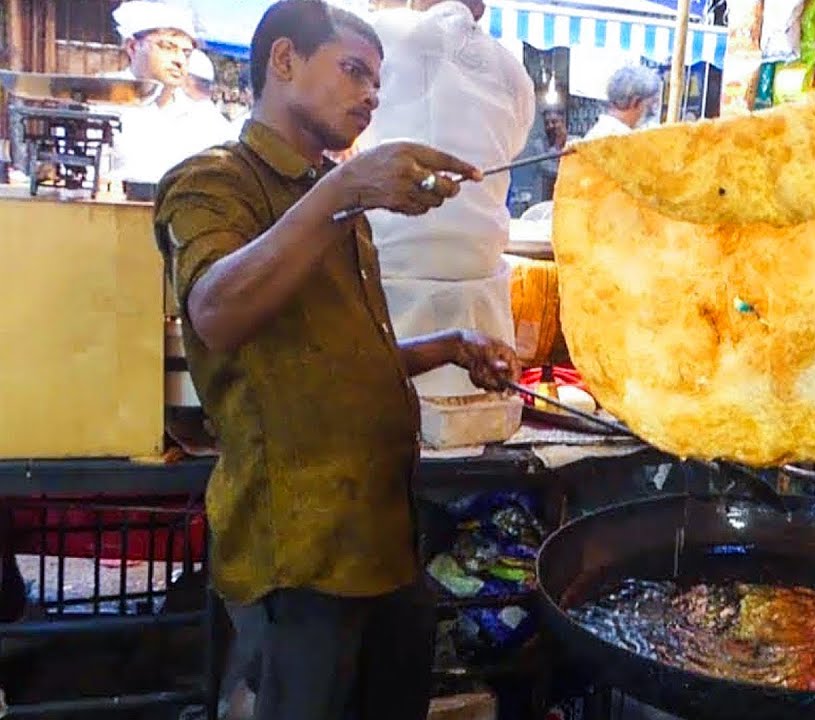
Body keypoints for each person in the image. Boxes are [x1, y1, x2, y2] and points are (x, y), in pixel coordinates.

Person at [152, 1, 519, 718]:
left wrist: (449, 349)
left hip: (383, 539)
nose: (371, 96)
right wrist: (342, 191)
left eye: (378, 84)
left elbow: (339, 358)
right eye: (353, 72)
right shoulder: (214, 182)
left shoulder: (332, 201)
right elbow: (217, 314)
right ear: (284, 61)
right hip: (300, 554)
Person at [360, 0, 535, 399]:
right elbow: (510, 148)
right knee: (481, 433)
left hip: (390, 298)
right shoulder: (514, 71)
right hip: (483, 305)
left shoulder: (376, 37)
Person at [103, 1, 233, 186]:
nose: (179, 60)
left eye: (186, 53)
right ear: (133, 47)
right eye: (167, 47)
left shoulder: (205, 118)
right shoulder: (101, 102)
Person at [584, 65, 663, 140]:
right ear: (636, 102)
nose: (654, 110)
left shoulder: (600, 133)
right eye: (653, 102)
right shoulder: (610, 139)